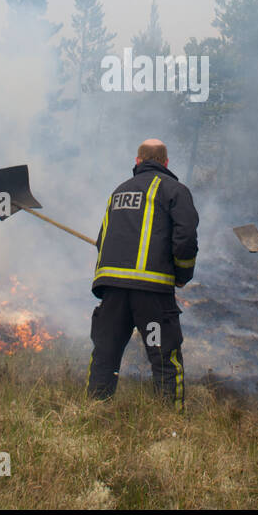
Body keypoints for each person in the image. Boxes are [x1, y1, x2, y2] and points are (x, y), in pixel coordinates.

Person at [86, 139, 199, 411]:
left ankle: (94, 413)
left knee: (105, 353)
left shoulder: (119, 191)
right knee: (164, 357)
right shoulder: (175, 190)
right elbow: (185, 239)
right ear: (166, 163)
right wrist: (183, 274)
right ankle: (168, 420)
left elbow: (103, 239)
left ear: (137, 161)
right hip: (152, 295)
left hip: (113, 291)